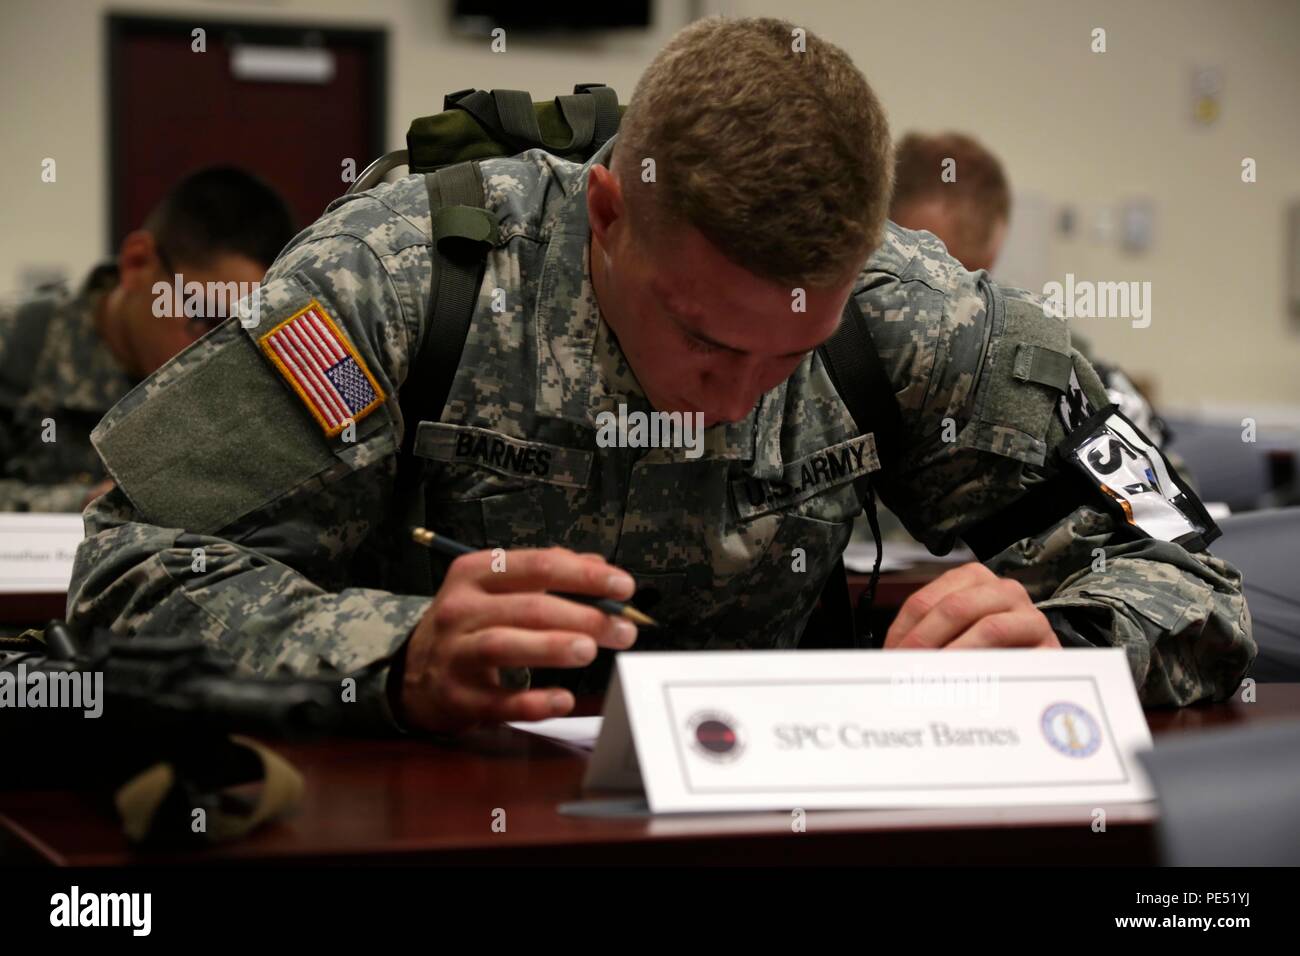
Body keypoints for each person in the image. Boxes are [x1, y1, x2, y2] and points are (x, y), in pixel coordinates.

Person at [68, 18, 1254, 737]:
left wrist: (1072, 636)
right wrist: (395, 653)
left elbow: (1191, 575)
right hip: (424, 815)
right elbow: (128, 572)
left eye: (787, 352)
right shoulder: (399, 274)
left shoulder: (917, 313)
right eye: (703, 337)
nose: (734, 399)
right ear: (607, 211)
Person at [0, 166, 296, 511]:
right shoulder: (17, 348)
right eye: (206, 318)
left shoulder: (250, 382)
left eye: (243, 332)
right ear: (137, 263)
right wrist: (89, 505)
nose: (221, 354)